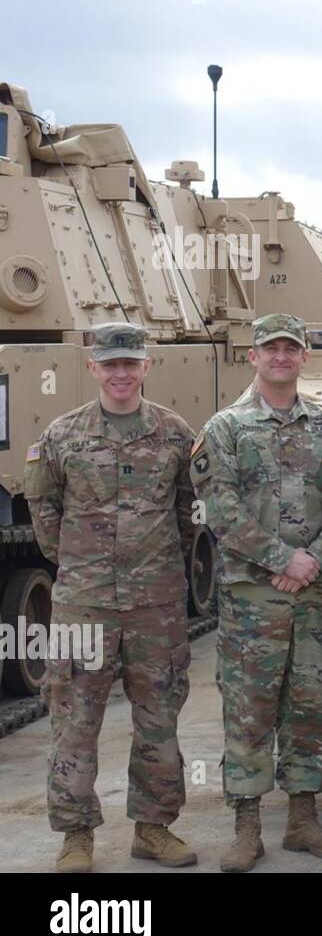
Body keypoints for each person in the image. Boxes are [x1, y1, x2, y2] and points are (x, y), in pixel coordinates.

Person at [24, 321, 198, 871]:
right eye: (110, 363)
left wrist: (154, 564)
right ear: (93, 367)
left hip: (157, 605)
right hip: (84, 605)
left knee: (159, 719)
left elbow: (188, 512)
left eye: (131, 363)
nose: (121, 373)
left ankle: (153, 828)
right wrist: (81, 565)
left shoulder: (174, 434)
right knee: (74, 720)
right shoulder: (62, 435)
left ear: (147, 366)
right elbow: (44, 509)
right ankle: (76, 834)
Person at [191, 313, 322, 872]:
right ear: (253, 357)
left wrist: (313, 560)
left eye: (291, 348)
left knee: (313, 708)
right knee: (250, 709)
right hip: (252, 601)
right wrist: (286, 559)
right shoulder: (225, 428)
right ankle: (246, 827)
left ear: (304, 356)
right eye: (270, 349)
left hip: (313, 598)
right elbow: (222, 510)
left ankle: (304, 819)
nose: (280, 357)